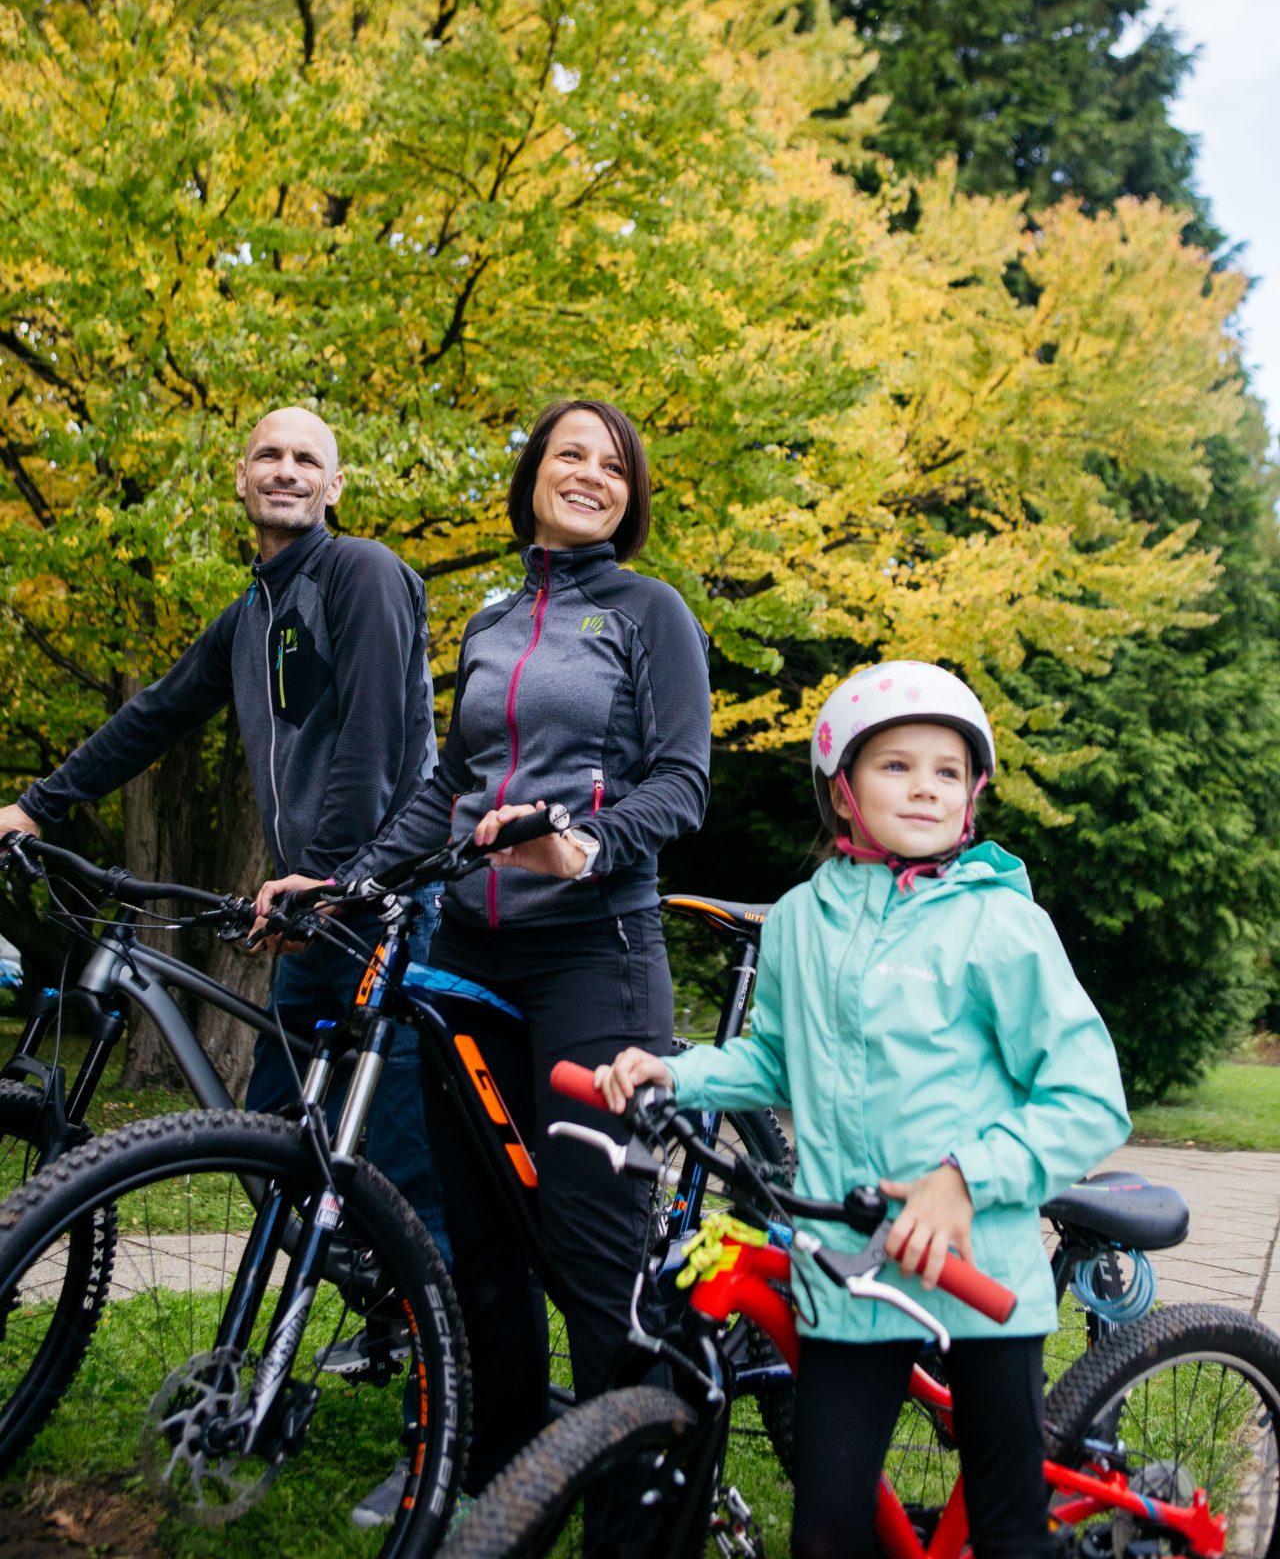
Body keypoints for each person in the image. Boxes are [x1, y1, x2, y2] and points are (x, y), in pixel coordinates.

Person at [258, 397, 712, 1523]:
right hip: (467, 951)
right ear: (534, 475)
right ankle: (491, 1467)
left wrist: (585, 843)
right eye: (571, 455)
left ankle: (637, 1503)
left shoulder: (648, 613)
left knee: (596, 1251)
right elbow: (446, 792)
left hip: (592, 955)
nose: (591, 476)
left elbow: (680, 780)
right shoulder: (495, 618)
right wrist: (349, 880)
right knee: (475, 1247)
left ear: (629, 492)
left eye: (612, 465)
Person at [598, 659, 1131, 1559]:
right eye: (896, 765)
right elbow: (776, 1056)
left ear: (972, 797)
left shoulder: (999, 922)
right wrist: (675, 1075)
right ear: (843, 792)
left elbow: (1088, 1095)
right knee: (828, 1530)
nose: (925, 786)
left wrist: (964, 1180)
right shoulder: (801, 919)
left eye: (947, 771)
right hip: (848, 1272)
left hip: (977, 1271)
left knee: (1006, 1528)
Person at [0, 405, 450, 1288]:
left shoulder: (364, 575)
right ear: (242, 478)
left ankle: (441, 1356)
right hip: (314, 908)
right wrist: (37, 806)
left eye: (306, 459)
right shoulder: (250, 615)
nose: (286, 469)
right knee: (274, 1125)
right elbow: (156, 715)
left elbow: (370, 744)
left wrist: (326, 878)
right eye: (268, 456)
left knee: (401, 1150)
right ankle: (372, 1290)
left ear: (334, 485)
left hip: (387, 906)